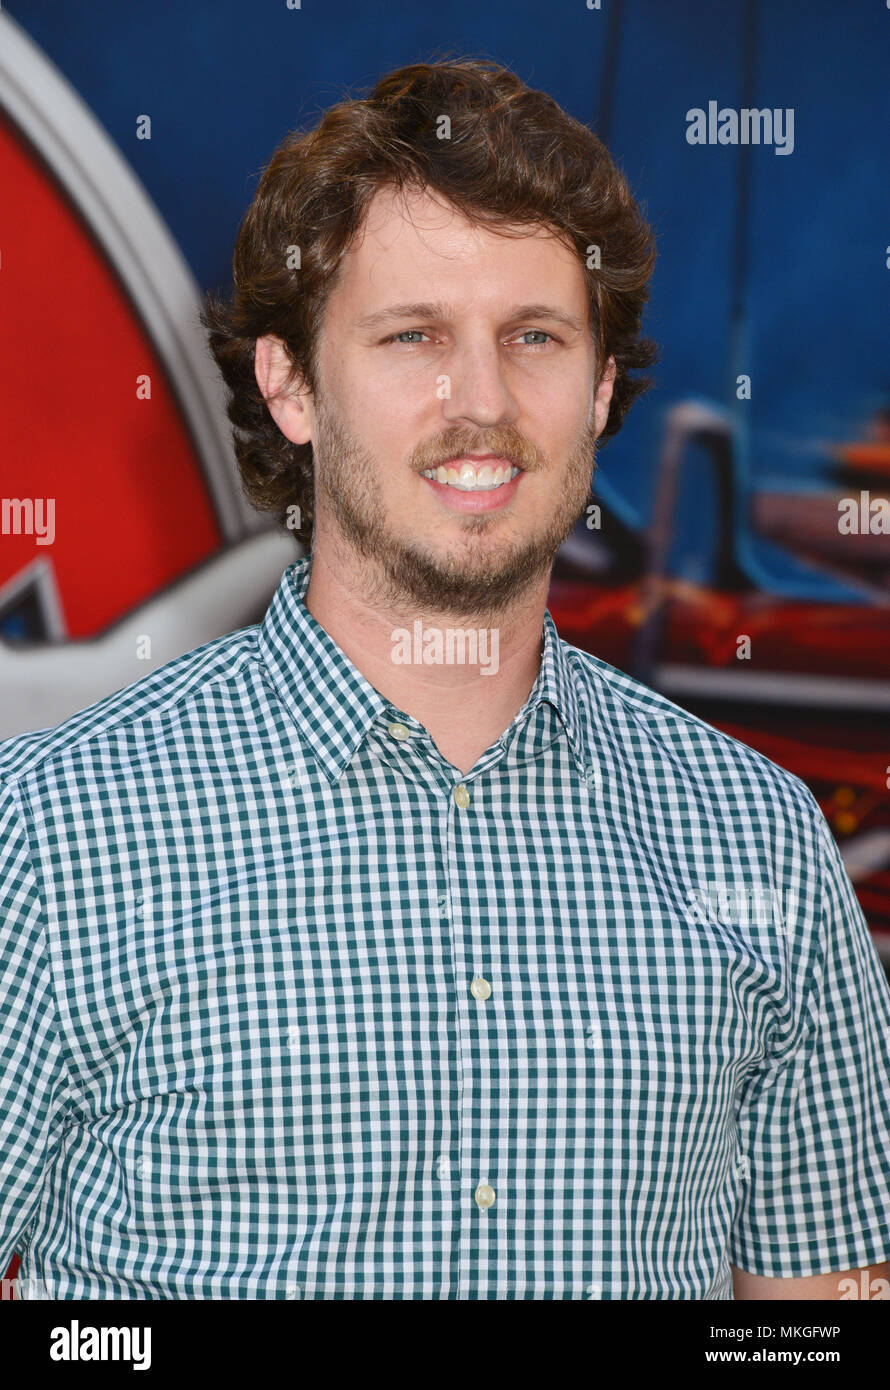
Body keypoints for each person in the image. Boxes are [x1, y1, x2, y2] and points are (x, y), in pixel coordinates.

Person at [1, 58, 888, 1301]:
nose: (479, 402)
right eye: (412, 335)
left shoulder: (757, 840)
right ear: (291, 382)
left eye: (532, 337)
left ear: (597, 391)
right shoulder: (50, 835)